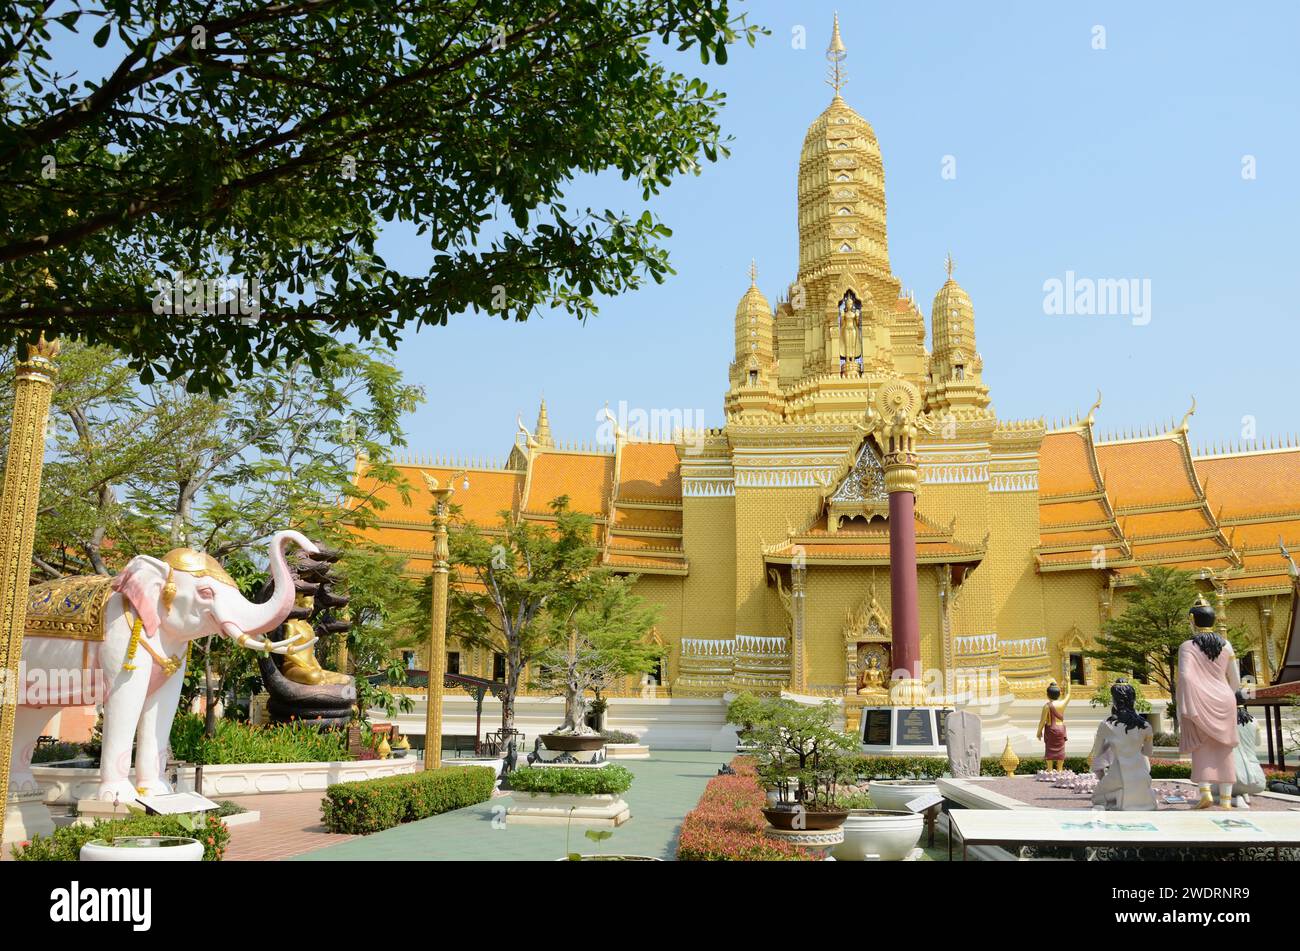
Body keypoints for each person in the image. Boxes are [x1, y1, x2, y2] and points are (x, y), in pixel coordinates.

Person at [1177, 596, 1240, 809]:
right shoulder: (1227, 646)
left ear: (1192, 619)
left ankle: (1205, 793)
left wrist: (1188, 701)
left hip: (1199, 700)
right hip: (1225, 699)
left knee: (1201, 746)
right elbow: (1236, 679)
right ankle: (1225, 799)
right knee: (1224, 749)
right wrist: (1227, 696)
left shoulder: (1187, 647)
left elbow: (1185, 676)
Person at [1089, 679, 1156, 811]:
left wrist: (1110, 744)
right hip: (1141, 775)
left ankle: (1119, 795)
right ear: (1133, 700)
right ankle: (1129, 797)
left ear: (1114, 701)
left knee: (1097, 798)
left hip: (1118, 775)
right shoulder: (1146, 725)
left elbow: (1096, 753)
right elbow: (1148, 753)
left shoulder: (1106, 725)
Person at [1231, 707, 1267, 809]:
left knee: (1208, 791)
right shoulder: (1254, 720)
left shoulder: (1226, 720)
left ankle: (1235, 799)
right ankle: (1244, 794)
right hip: (1258, 780)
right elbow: (1258, 743)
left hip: (1234, 777)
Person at [1036, 680, 1070, 772]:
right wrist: (1068, 681)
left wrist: (1039, 732)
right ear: (1059, 694)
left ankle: (1050, 769)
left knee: (1049, 750)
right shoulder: (1062, 704)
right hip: (1061, 729)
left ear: (1047, 694)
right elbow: (1068, 695)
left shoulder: (1047, 706)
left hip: (1051, 729)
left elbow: (1042, 721)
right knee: (1061, 750)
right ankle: (1060, 769)